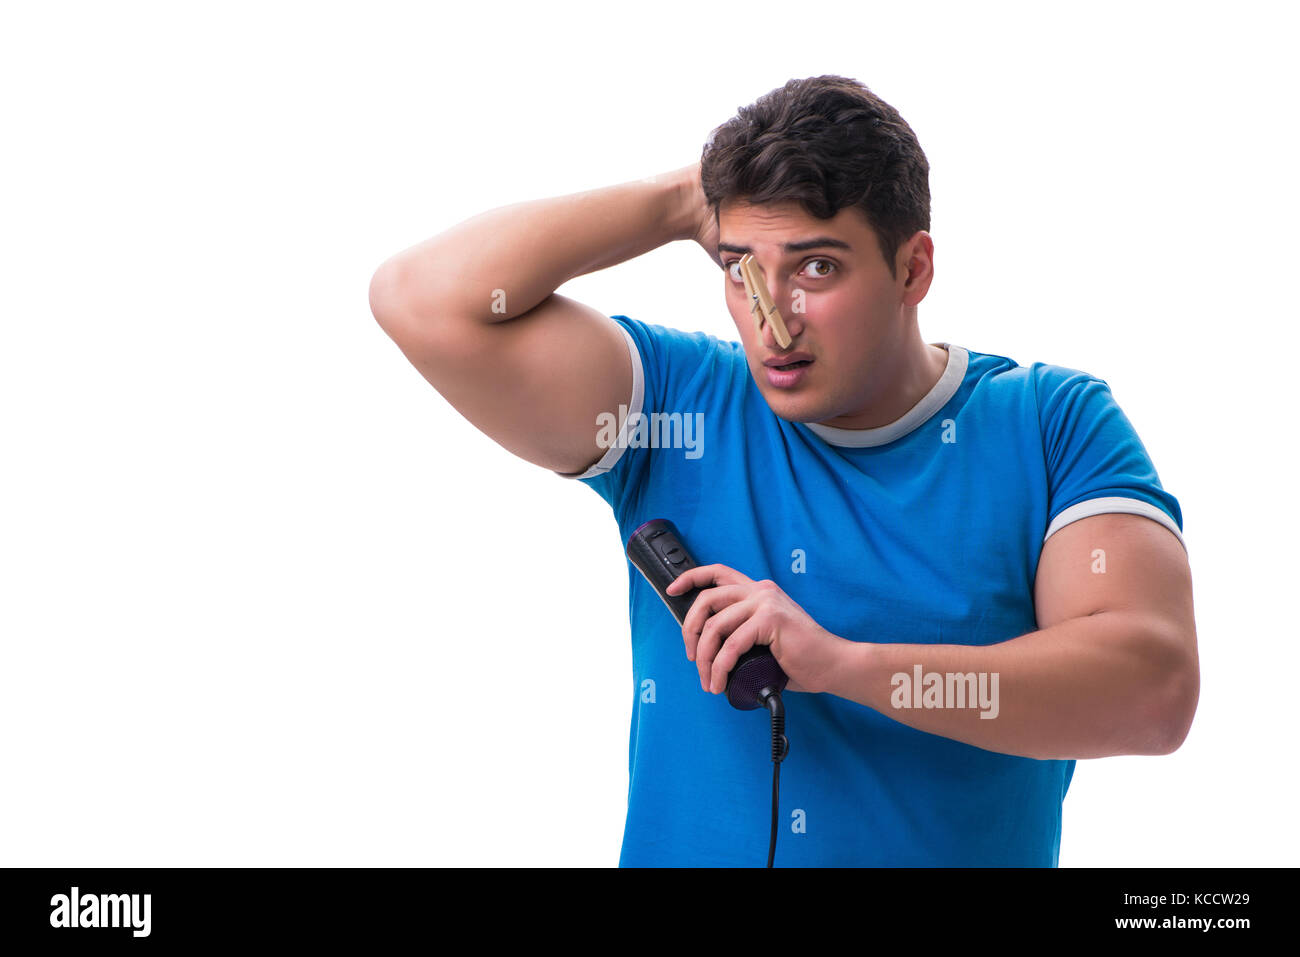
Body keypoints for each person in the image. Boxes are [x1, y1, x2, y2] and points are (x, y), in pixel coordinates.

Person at [367, 75, 1199, 866]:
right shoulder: (673, 407)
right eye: (740, 268)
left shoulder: (1050, 422)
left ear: (912, 269)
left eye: (816, 267)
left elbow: (1151, 690)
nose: (773, 320)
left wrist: (845, 665)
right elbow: (421, 297)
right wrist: (681, 200)